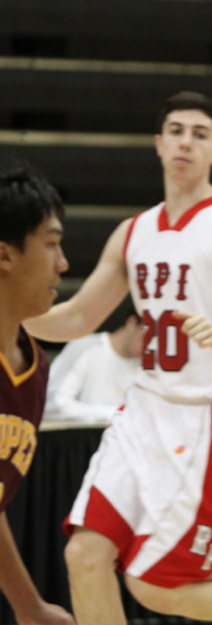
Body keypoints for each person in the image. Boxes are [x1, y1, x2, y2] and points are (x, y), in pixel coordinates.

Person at [23, 91, 212, 625]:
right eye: (176, 131)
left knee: (154, 584)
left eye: (200, 135)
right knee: (84, 555)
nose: (186, 142)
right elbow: (78, 317)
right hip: (142, 413)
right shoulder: (133, 232)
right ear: (158, 144)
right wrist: (12, 316)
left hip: (208, 420)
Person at [0, 162, 76, 625]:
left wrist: (29, 607)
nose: (63, 263)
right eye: (50, 244)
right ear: (5, 255)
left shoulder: (35, 367)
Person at [44, 315, 145, 423]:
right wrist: (114, 412)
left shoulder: (148, 364)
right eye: (149, 336)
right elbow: (53, 404)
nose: (152, 345)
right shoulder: (86, 347)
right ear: (132, 323)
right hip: (81, 432)